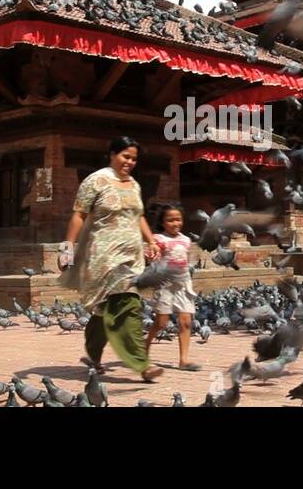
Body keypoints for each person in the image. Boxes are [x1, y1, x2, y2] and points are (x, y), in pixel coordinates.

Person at [59, 137, 164, 382]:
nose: (130, 162)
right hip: (103, 257)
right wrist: (67, 249)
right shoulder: (96, 180)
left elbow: (138, 216)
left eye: (134, 159)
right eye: (125, 156)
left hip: (132, 256)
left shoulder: (135, 185)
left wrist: (151, 241)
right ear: (112, 154)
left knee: (119, 306)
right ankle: (135, 362)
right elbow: (78, 215)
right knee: (117, 306)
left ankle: (112, 358)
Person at [144, 205, 201, 372]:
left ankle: (184, 360)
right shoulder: (158, 239)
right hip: (165, 285)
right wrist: (151, 255)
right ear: (163, 222)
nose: (175, 223)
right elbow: (149, 256)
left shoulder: (186, 240)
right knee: (161, 322)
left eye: (178, 219)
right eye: (170, 220)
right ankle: (145, 346)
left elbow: (186, 260)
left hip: (183, 284)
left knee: (186, 322)